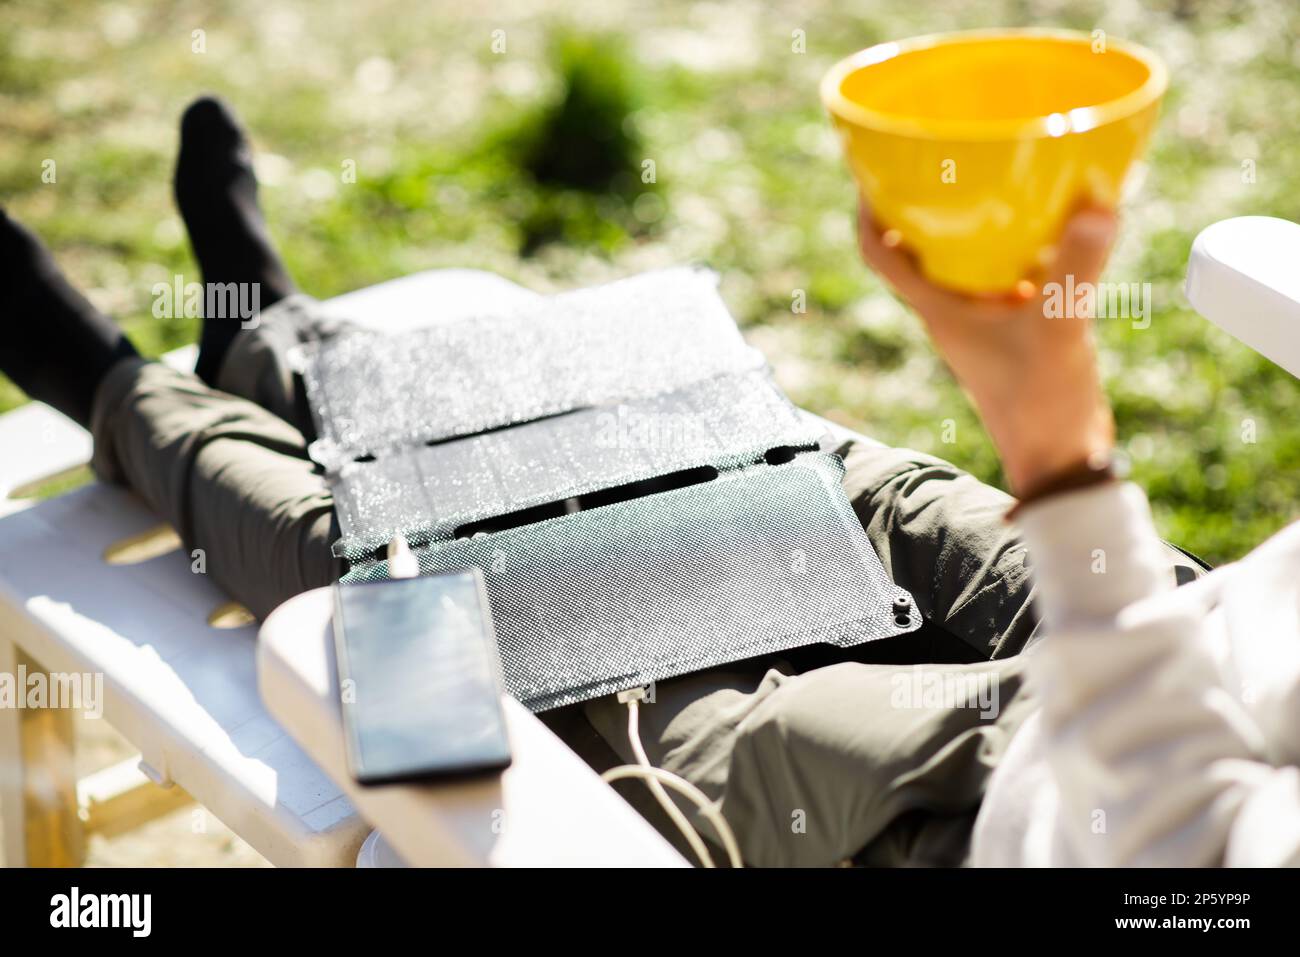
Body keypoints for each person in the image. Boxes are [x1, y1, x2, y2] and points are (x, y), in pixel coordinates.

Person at [1, 97, 1206, 867]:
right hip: (1183, 664)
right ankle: (269, 346)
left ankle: (109, 381)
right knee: (776, 462)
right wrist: (1061, 451)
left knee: (449, 574)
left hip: (921, 811)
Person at [856, 203, 1300, 867]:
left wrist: (1059, 458)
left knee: (716, 741)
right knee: (840, 482)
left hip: (1043, 819)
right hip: (1186, 620)